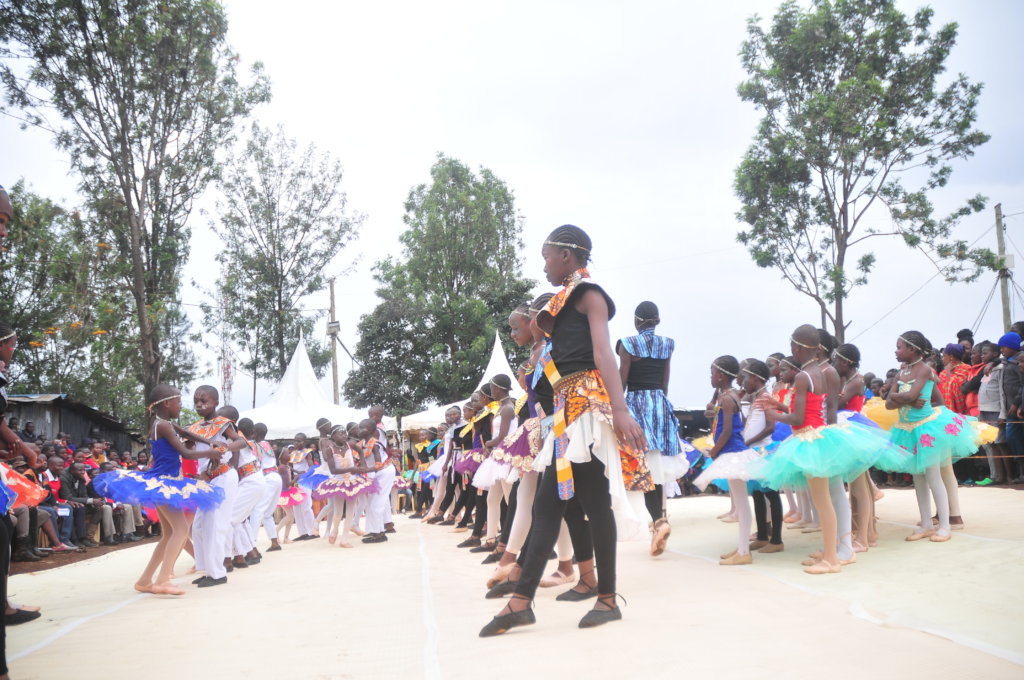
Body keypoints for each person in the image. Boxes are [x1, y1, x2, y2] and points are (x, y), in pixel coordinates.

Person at [480, 224, 650, 637]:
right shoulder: (559, 304)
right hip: (565, 414)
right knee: (554, 506)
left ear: (568, 256)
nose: (544, 265)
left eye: (547, 257)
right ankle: (526, 601)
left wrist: (621, 408)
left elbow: (601, 353)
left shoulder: (589, 296)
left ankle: (601, 598)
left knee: (579, 503)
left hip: (587, 413)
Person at [92, 384, 224, 595]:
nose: (181, 406)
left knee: (169, 533)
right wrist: (212, 453)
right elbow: (186, 454)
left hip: (163, 482)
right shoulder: (163, 426)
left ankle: (145, 580)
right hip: (164, 484)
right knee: (180, 530)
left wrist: (208, 440)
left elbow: (185, 432)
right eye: (179, 402)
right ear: (167, 403)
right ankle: (162, 580)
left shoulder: (162, 424)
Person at [882, 332, 981, 542]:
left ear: (913, 349)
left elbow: (905, 396)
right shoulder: (901, 373)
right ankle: (926, 523)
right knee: (918, 478)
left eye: (900, 347)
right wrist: (904, 399)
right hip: (908, 429)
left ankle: (945, 525)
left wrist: (901, 397)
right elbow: (888, 403)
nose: (896, 351)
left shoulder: (925, 370)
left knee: (934, 475)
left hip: (927, 428)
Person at [616, 301, 693, 557]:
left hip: (637, 405)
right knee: (658, 467)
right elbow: (665, 381)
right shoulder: (668, 344)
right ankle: (660, 521)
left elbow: (622, 381)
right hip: (660, 403)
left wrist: (618, 410)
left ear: (637, 321)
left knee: (644, 469)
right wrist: (659, 402)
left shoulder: (627, 344)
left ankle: (658, 523)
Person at [693, 356, 764, 565]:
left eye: (712, 373)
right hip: (733, 452)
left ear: (721, 375)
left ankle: (744, 552)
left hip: (733, 453)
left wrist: (714, 451)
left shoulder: (726, 398)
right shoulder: (730, 395)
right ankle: (742, 547)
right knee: (741, 503)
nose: (710, 377)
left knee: (742, 504)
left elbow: (726, 432)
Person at [185, 386, 246, 588]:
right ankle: (207, 569)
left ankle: (218, 573)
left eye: (204, 401)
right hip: (207, 480)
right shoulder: (194, 428)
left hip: (223, 477)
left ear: (215, 403)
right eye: (196, 401)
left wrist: (224, 447)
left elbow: (241, 442)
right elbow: (188, 450)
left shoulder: (223, 424)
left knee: (216, 525)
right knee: (200, 526)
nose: (200, 405)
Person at [250, 422, 283, 552]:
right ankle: (274, 541)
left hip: (268, 477)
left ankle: (251, 544)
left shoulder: (256, 446)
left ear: (255, 433)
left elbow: (256, 463)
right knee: (267, 513)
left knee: (257, 510)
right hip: (275, 477)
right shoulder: (267, 443)